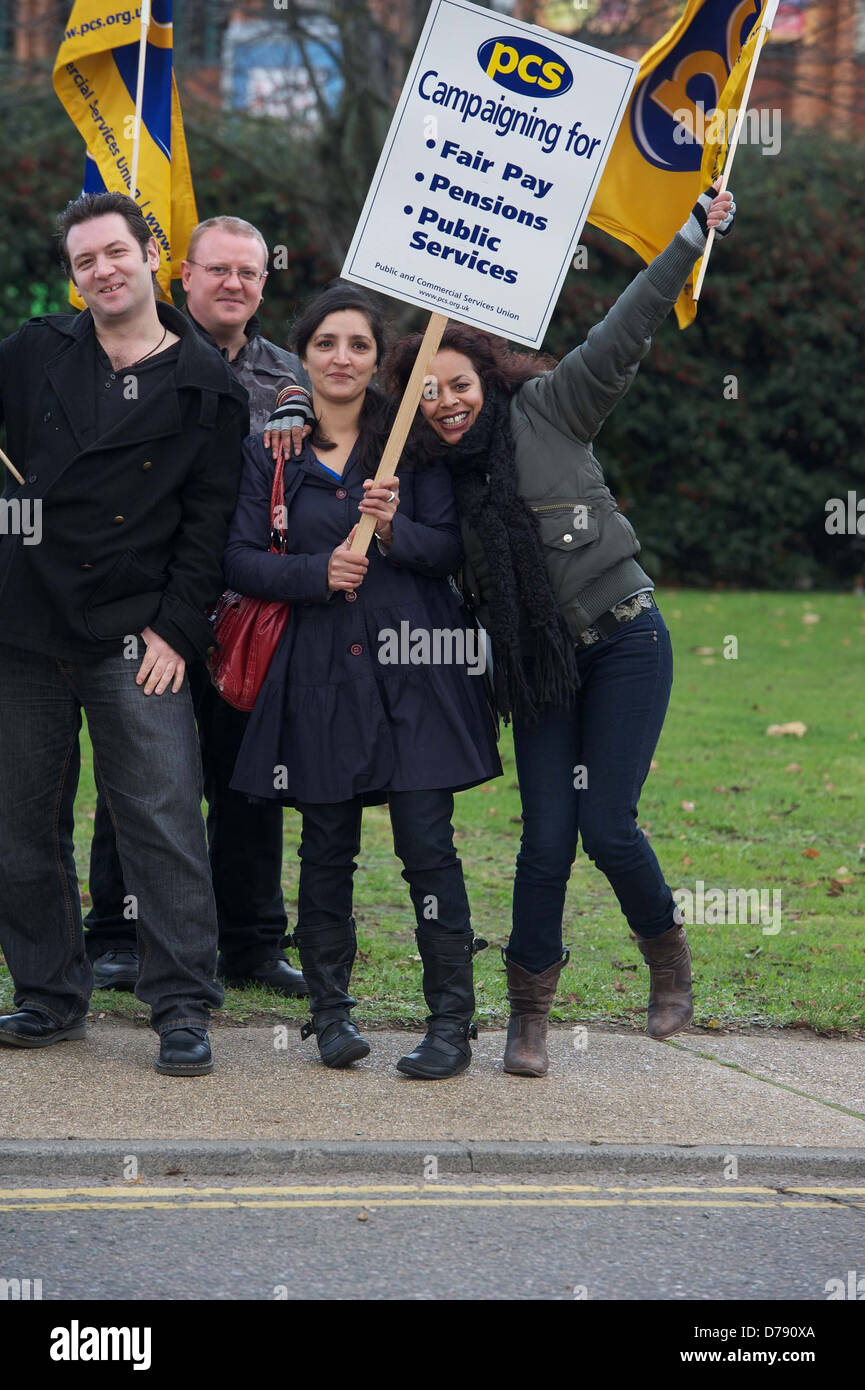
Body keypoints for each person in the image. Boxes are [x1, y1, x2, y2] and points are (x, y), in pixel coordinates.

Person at [382, 182, 737, 1078]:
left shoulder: (552, 409)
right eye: (427, 393)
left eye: (456, 384)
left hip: (623, 638)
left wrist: (692, 235)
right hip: (539, 671)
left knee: (607, 828)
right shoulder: (428, 476)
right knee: (545, 839)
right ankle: (527, 1019)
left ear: (483, 376)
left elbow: (624, 326)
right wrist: (377, 520)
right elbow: (425, 549)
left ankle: (667, 957)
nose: (445, 402)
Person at [223, 285, 502, 1078]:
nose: (341, 358)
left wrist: (391, 528)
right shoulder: (268, 453)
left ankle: (451, 1024)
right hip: (317, 677)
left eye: (358, 346)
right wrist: (317, 571)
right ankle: (330, 1015)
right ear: (302, 355)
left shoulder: (411, 449)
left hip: (416, 672)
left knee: (427, 848)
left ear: (379, 363)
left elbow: (448, 549)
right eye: (326, 344)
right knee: (325, 849)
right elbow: (238, 559)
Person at [0, 191, 249, 1075]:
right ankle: (48, 994)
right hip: (24, 627)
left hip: (136, 634)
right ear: (73, 281)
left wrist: (178, 632)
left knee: (162, 820)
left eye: (115, 252)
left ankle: (182, 1003)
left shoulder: (208, 384)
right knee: (21, 824)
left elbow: (208, 524)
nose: (102, 270)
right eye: (83, 263)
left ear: (151, 254)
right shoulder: (35, 351)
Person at [80, 214, 314, 999]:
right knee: (139, 777)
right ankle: (116, 934)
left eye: (249, 273)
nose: (234, 284)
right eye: (219, 271)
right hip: (154, 607)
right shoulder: (143, 354)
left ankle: (250, 942)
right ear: (183, 273)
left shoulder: (291, 375)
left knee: (251, 781)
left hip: (254, 614)